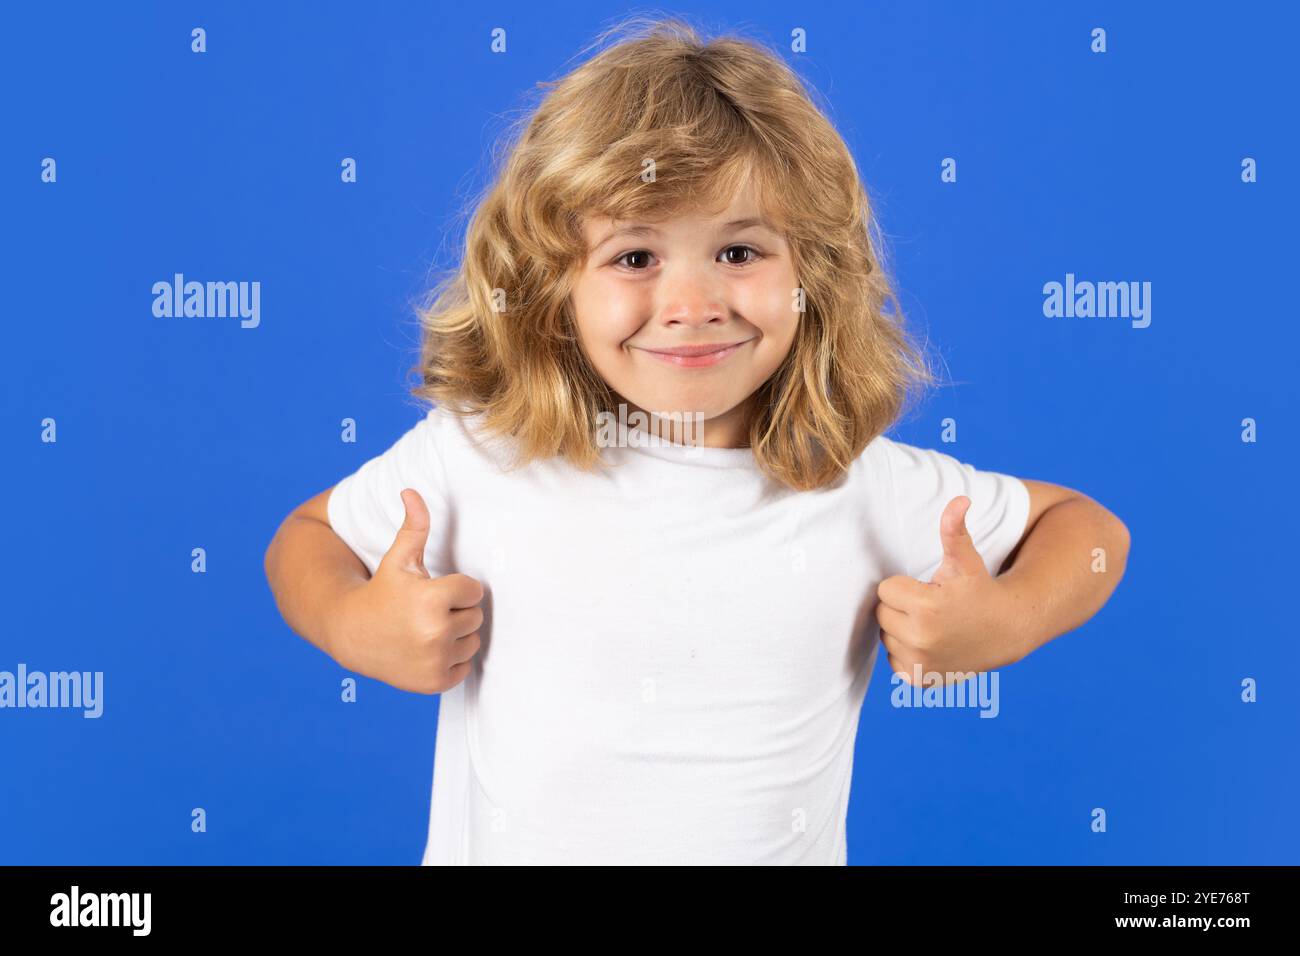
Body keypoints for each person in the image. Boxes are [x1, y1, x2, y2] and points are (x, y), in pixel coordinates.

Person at [263, 16, 1130, 865]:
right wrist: (354, 623)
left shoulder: (856, 484)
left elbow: (1090, 532)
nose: (691, 303)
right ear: (549, 287)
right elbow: (307, 541)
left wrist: (1005, 620)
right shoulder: (487, 454)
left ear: (812, 278)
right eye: (635, 258)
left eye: (740, 252)